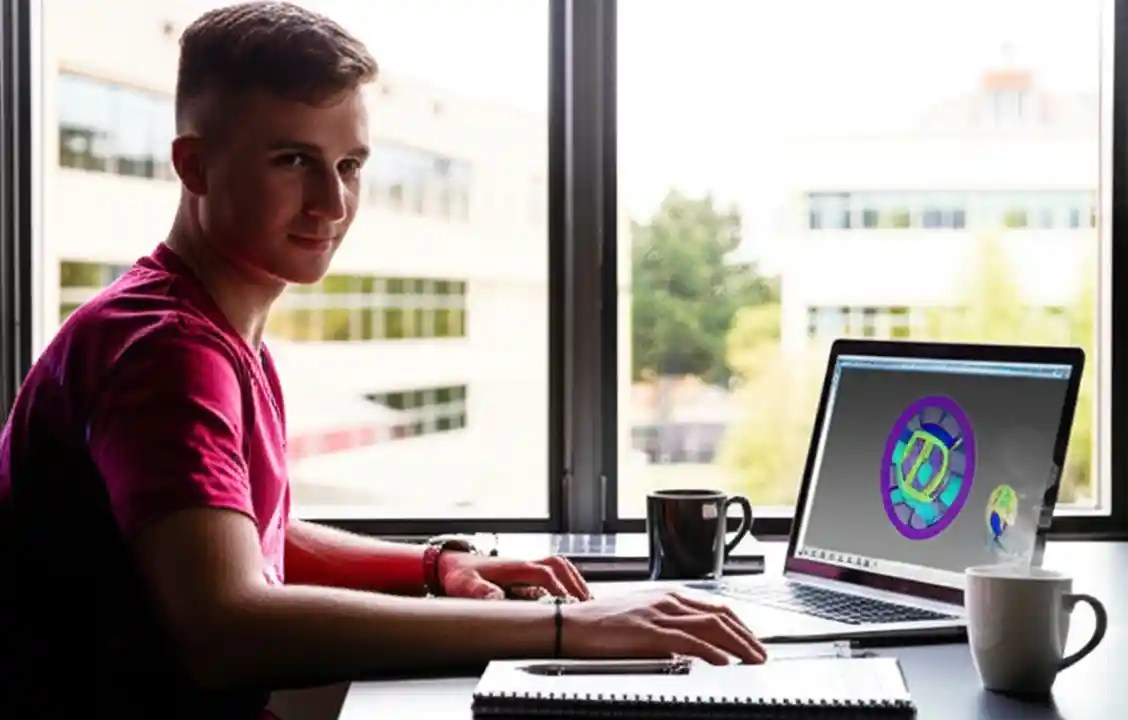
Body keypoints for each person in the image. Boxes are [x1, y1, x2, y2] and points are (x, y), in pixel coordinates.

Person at [0, 2, 765, 717]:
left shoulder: (213, 327)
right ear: (195, 167)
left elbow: (240, 530)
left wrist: (432, 567)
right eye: (293, 160)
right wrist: (574, 627)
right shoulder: (167, 349)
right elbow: (224, 625)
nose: (332, 205)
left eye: (350, 166)